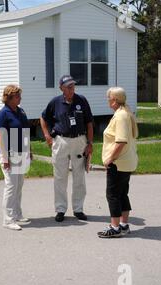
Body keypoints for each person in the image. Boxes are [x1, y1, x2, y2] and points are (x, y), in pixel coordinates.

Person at [40, 75, 94, 222]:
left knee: (79, 177)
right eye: (68, 87)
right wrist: (47, 136)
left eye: (73, 86)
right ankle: (60, 209)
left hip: (79, 141)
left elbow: (89, 123)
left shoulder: (81, 100)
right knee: (59, 176)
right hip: (61, 141)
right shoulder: (55, 102)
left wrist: (90, 143)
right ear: (61, 88)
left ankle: (78, 209)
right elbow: (43, 118)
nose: (72, 89)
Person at [98, 87, 138, 238]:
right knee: (122, 193)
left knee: (113, 194)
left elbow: (120, 141)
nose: (108, 100)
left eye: (109, 98)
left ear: (114, 100)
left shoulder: (121, 116)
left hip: (119, 163)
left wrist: (110, 159)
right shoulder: (126, 112)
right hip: (126, 162)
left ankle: (115, 227)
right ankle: (124, 225)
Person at [0, 84, 32, 231]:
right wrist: (5, 158)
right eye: (17, 96)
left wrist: (29, 150)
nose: (20, 98)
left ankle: (17, 213)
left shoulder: (20, 111)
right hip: (8, 154)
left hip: (21, 153)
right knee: (11, 185)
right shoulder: (3, 114)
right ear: (9, 98)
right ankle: (8, 219)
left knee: (19, 185)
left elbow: (25, 132)